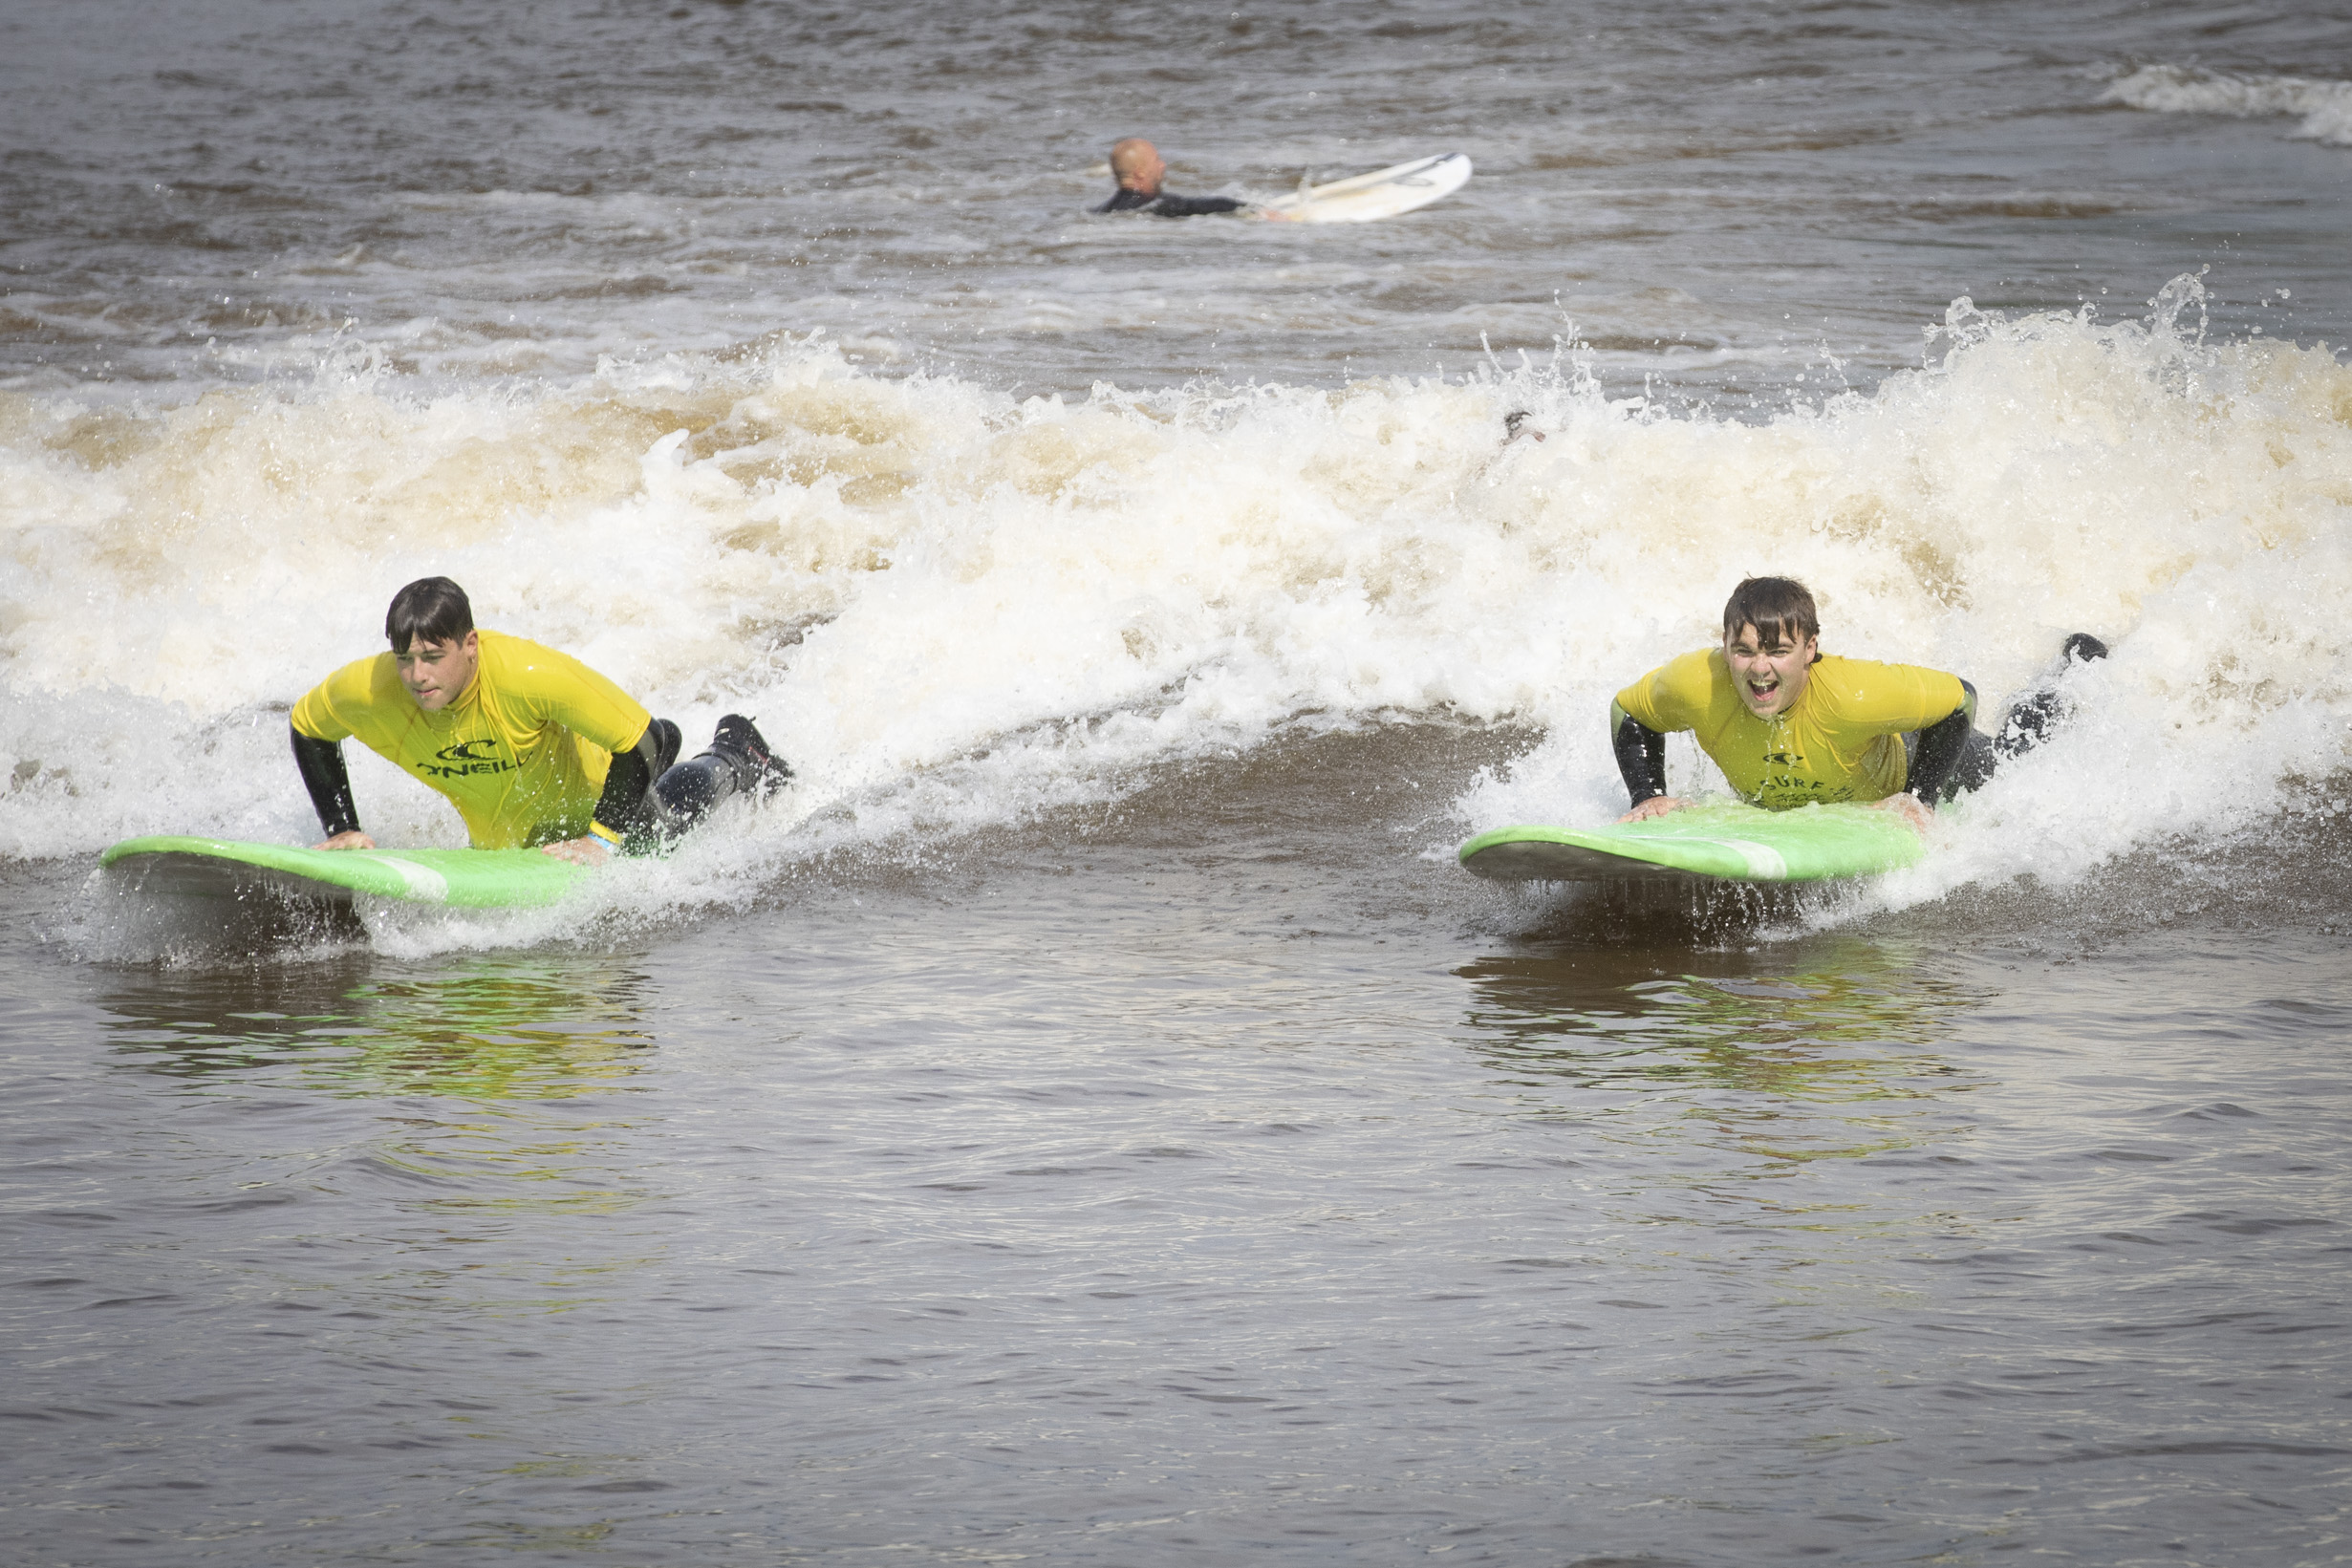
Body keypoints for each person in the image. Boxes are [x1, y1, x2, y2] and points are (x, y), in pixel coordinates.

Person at [289, 576, 790, 865]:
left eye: (433, 656)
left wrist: (600, 840)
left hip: (601, 794)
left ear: (470, 645)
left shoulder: (528, 676)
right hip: (517, 832)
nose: (417, 676)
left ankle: (736, 752)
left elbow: (640, 740)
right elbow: (307, 726)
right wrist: (342, 828)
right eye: (404, 658)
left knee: (657, 838)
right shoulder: (370, 688)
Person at [1610, 575, 2105, 827]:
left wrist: (1918, 798)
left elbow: (1960, 701)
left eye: (1779, 652)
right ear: (1724, 646)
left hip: (1926, 754)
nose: (1759, 669)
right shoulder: (1697, 683)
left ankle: (2069, 674)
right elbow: (1628, 712)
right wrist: (1647, 795)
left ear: (1811, 649)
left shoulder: (1852, 695)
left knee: (2019, 754)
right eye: (1743, 652)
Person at [1092, 138, 1251, 218]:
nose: (1162, 166)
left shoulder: (1102, 210)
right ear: (1139, 172)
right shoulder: (1159, 204)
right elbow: (1202, 206)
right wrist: (1252, 210)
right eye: (1156, 161)